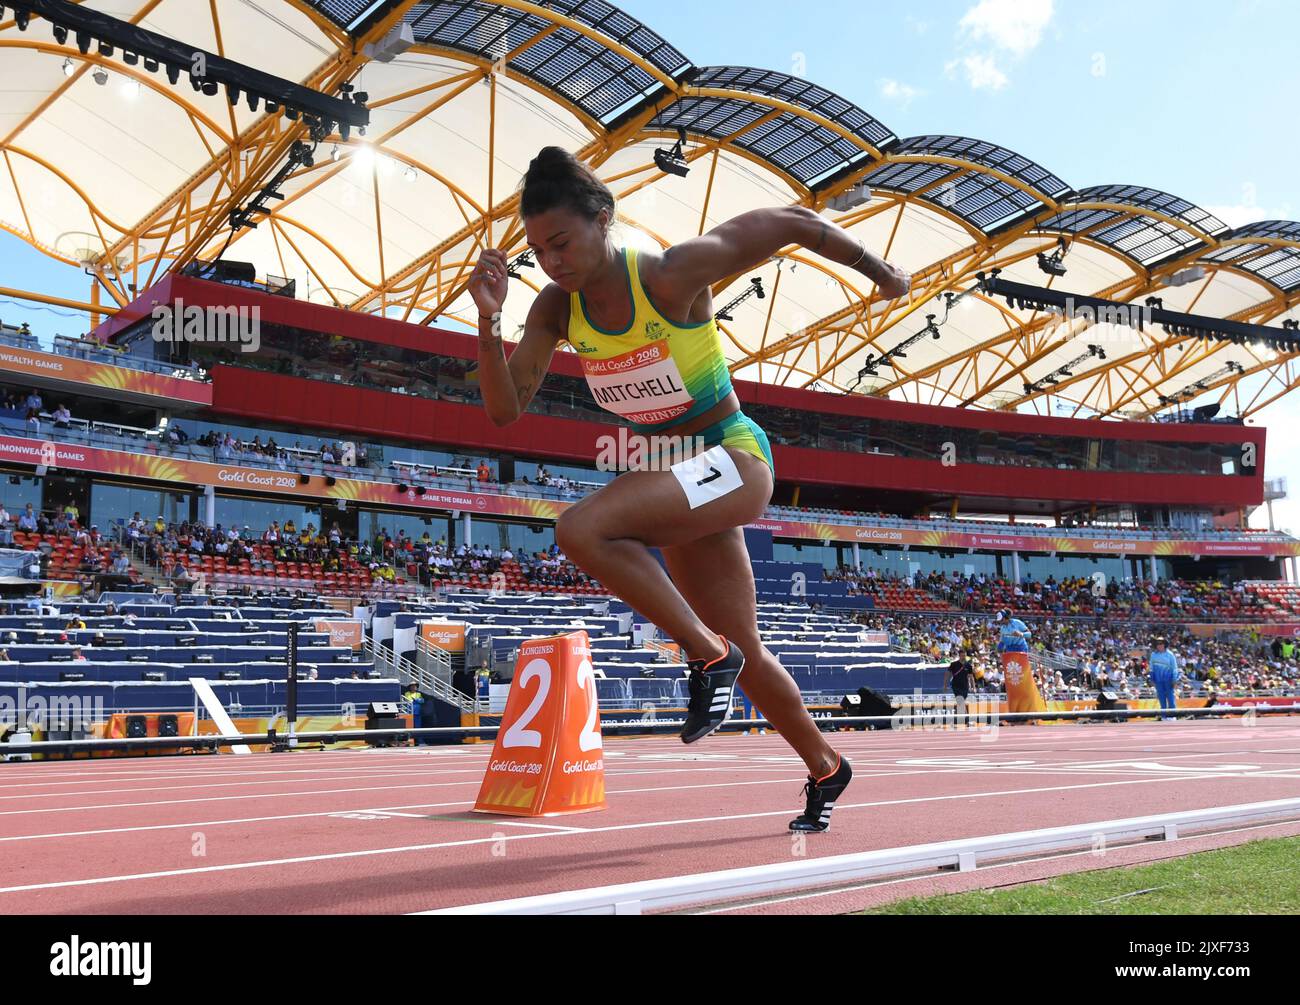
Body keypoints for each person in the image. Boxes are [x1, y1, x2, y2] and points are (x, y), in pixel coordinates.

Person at [468, 146, 910, 832]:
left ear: (602, 221)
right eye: (538, 250)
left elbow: (790, 221)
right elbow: (503, 410)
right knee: (749, 651)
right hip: (681, 478)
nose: (552, 261)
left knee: (582, 527)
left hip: (732, 458)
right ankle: (826, 764)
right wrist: (489, 317)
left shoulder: (672, 276)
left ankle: (707, 655)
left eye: (562, 242)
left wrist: (879, 271)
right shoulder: (556, 309)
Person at [1148, 636, 1181, 721]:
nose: (1159, 645)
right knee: (1162, 699)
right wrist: (1152, 679)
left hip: (1169, 680)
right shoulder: (1153, 654)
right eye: (1157, 644)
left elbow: (1174, 668)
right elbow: (1151, 668)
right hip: (1158, 680)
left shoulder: (1170, 654)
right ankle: (1164, 716)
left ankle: (1172, 716)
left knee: (1170, 698)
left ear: (1164, 644)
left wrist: (1174, 680)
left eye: (1161, 643)